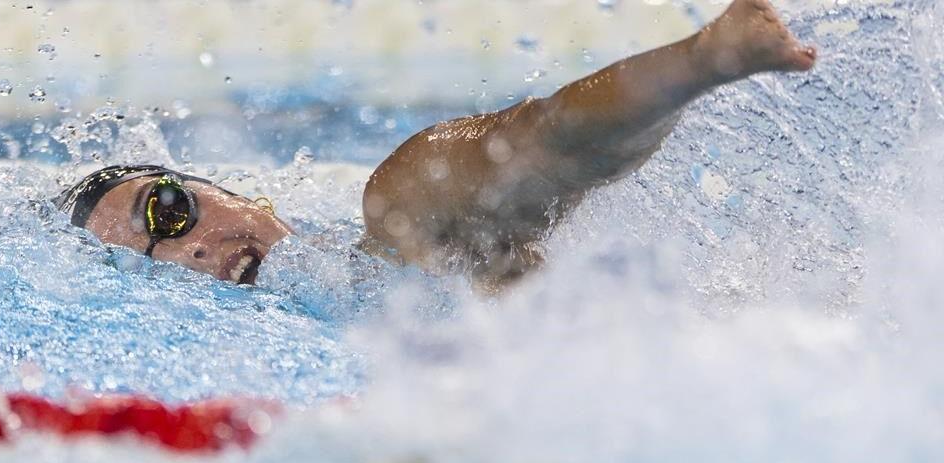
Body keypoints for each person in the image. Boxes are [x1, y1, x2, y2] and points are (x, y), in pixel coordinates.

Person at [55, 0, 815, 291]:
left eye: (168, 209)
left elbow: (540, 146)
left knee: (408, 195)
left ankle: (706, 56)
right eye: (146, 267)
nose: (186, 249)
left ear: (241, 193)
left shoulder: (390, 238)